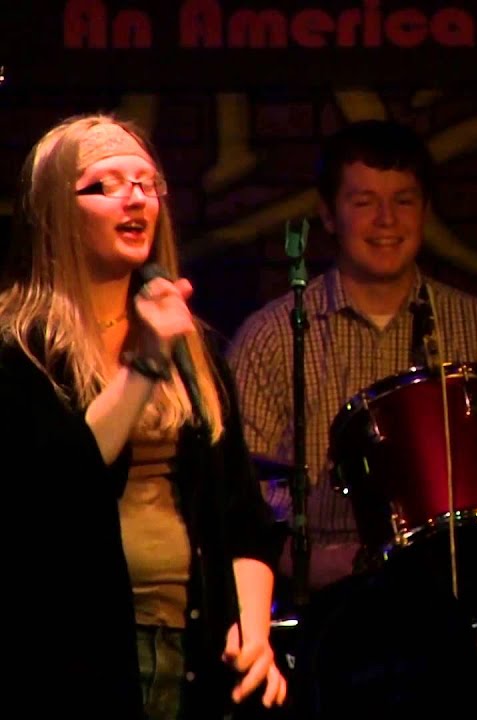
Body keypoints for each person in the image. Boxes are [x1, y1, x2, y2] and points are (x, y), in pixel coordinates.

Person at [226, 118, 477, 718]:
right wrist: (310, 557)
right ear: (330, 215)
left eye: (404, 201)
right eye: (364, 202)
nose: (386, 221)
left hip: (458, 617)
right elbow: (241, 497)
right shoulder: (269, 338)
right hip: (320, 623)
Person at [0, 114, 286, 718]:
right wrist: (145, 364)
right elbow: (57, 484)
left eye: (146, 183)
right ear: (56, 213)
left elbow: (240, 515)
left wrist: (252, 628)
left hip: (189, 647)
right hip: (73, 654)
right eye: (106, 184)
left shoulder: (192, 345)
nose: (135, 197)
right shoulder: (21, 345)